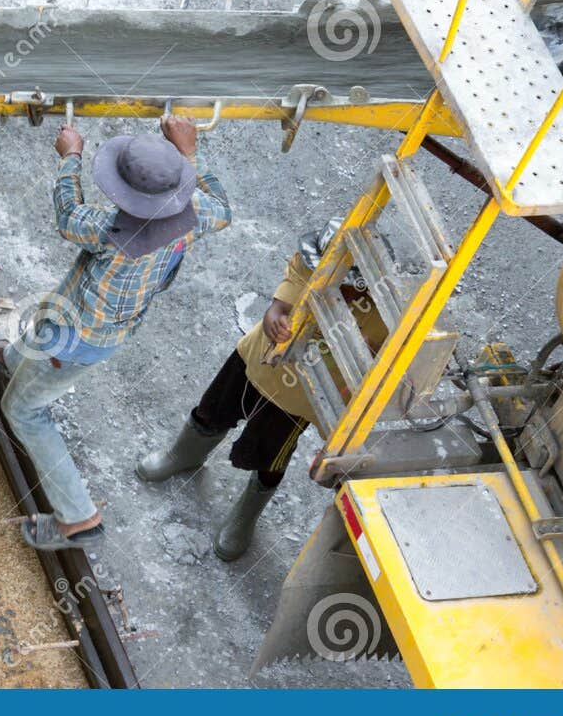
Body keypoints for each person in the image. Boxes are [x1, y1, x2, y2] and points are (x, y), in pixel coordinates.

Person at [0, 115, 232, 552]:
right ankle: (12, 358)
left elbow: (68, 216)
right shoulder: (195, 214)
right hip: (105, 330)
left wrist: (71, 156)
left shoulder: (108, 228)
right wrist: (188, 153)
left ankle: (79, 518)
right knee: (41, 337)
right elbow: (225, 207)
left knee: (25, 411)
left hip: (73, 338)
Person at [137, 223, 387, 560]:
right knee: (212, 411)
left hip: (299, 398)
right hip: (253, 360)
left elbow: (373, 364)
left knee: (271, 455)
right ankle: (184, 455)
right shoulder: (310, 264)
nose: (336, 288)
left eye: (347, 286)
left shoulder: (379, 314)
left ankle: (246, 514)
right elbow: (281, 301)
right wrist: (275, 314)